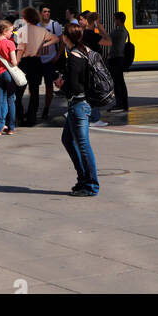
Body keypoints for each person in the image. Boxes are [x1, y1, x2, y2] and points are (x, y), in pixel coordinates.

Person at [57, 23, 100, 196]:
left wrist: (61, 85)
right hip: (83, 104)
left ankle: (90, 185)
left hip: (79, 105)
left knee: (83, 145)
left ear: (67, 37)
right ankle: (83, 179)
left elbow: (74, 86)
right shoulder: (85, 51)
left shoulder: (74, 56)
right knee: (68, 140)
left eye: (63, 35)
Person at [15, 7, 58, 127]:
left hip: (24, 62)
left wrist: (16, 63)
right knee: (34, 92)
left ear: (26, 18)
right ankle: (31, 118)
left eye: (23, 17)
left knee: (18, 92)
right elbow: (56, 38)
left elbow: (21, 48)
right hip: (37, 62)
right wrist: (43, 45)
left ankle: (19, 115)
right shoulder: (42, 30)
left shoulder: (22, 30)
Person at [79, 13, 111, 127]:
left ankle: (87, 117)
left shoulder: (83, 33)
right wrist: (102, 30)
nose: (101, 23)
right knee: (95, 92)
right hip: (93, 67)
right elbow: (109, 42)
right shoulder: (91, 34)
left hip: (86, 65)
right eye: (99, 21)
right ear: (95, 22)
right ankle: (94, 118)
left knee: (88, 92)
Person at [39, 6, 64, 120]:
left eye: (49, 11)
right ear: (40, 13)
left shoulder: (55, 25)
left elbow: (62, 42)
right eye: (45, 11)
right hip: (38, 60)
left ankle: (46, 109)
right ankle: (34, 107)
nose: (47, 13)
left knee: (49, 85)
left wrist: (57, 56)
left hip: (50, 59)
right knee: (34, 86)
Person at [107, 11, 131, 113]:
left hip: (116, 59)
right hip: (119, 59)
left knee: (118, 82)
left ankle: (120, 104)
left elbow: (107, 37)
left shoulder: (118, 31)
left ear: (118, 20)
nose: (114, 21)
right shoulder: (125, 31)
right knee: (120, 82)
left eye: (115, 19)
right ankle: (123, 104)